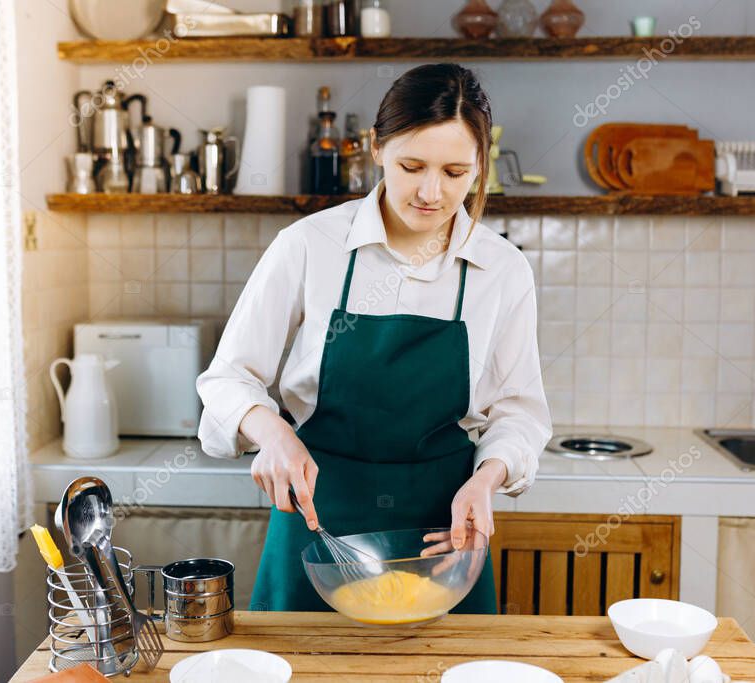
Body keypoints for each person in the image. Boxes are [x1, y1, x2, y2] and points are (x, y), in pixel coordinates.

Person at [196, 63, 552, 613]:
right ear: (376, 148)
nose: (432, 193)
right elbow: (227, 378)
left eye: (456, 172)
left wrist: (489, 479)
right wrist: (271, 432)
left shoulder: (502, 269)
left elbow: (518, 413)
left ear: (480, 168)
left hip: (444, 531)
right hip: (319, 522)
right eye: (413, 166)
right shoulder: (309, 245)